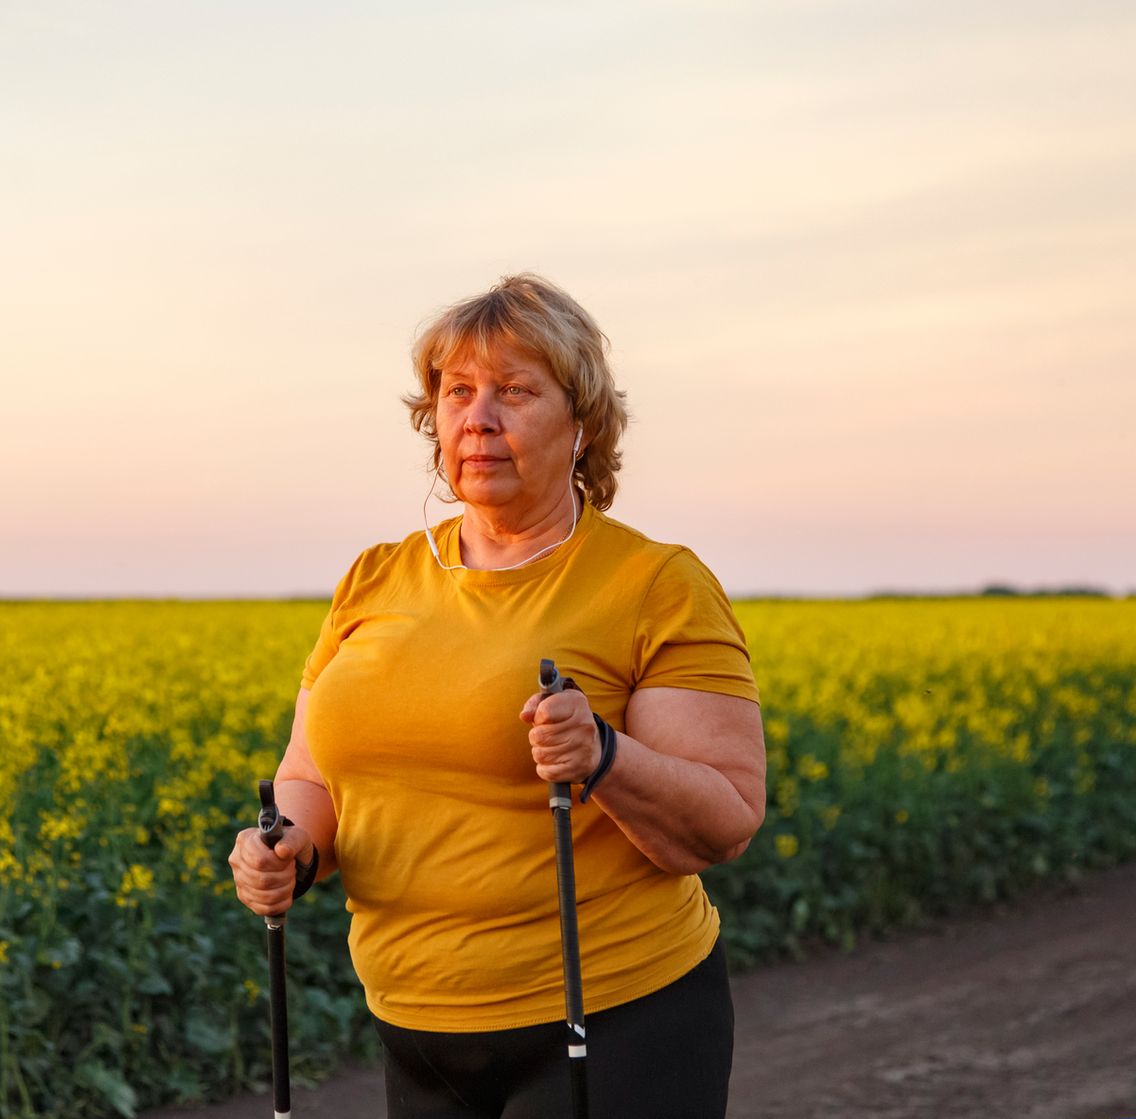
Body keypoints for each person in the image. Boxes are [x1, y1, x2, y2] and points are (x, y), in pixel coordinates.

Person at [228, 273, 765, 1118]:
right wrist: (288, 848)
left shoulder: (654, 583)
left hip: (614, 1018)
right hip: (415, 1024)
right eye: (457, 393)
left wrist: (604, 757)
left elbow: (725, 817)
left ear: (581, 422)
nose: (479, 417)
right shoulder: (374, 578)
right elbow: (313, 777)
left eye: (516, 391)